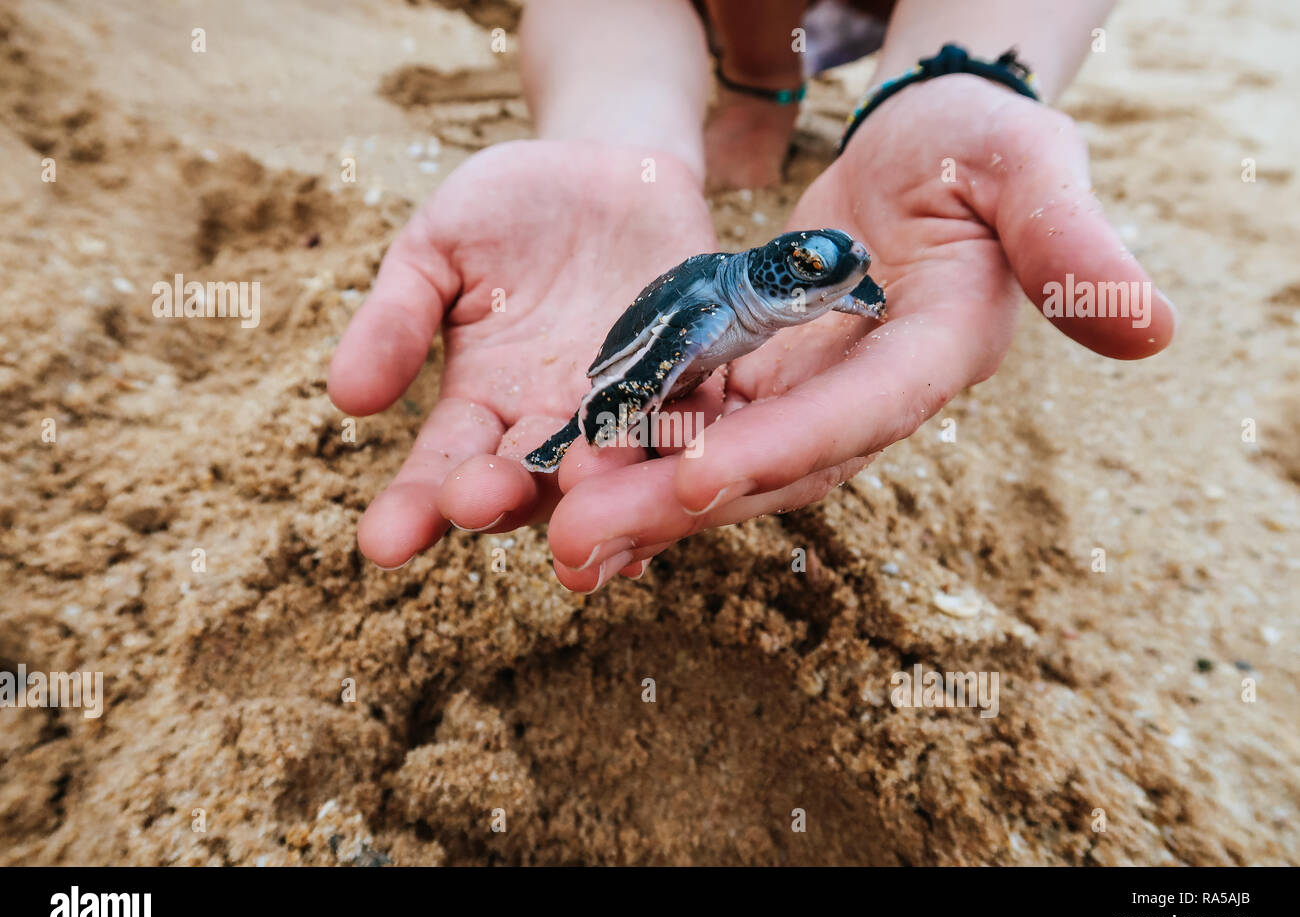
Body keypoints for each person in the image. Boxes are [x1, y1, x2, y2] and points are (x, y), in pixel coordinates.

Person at [327, 0, 1177, 592]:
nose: (829, 282)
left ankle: (770, 82)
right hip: (642, 342)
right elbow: (650, 360)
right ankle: (756, 85)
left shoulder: (797, 288)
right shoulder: (715, 306)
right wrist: (608, 138)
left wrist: (960, 83)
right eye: (810, 271)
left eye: (835, 273)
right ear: (769, 272)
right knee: (630, 394)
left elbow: (837, 281)